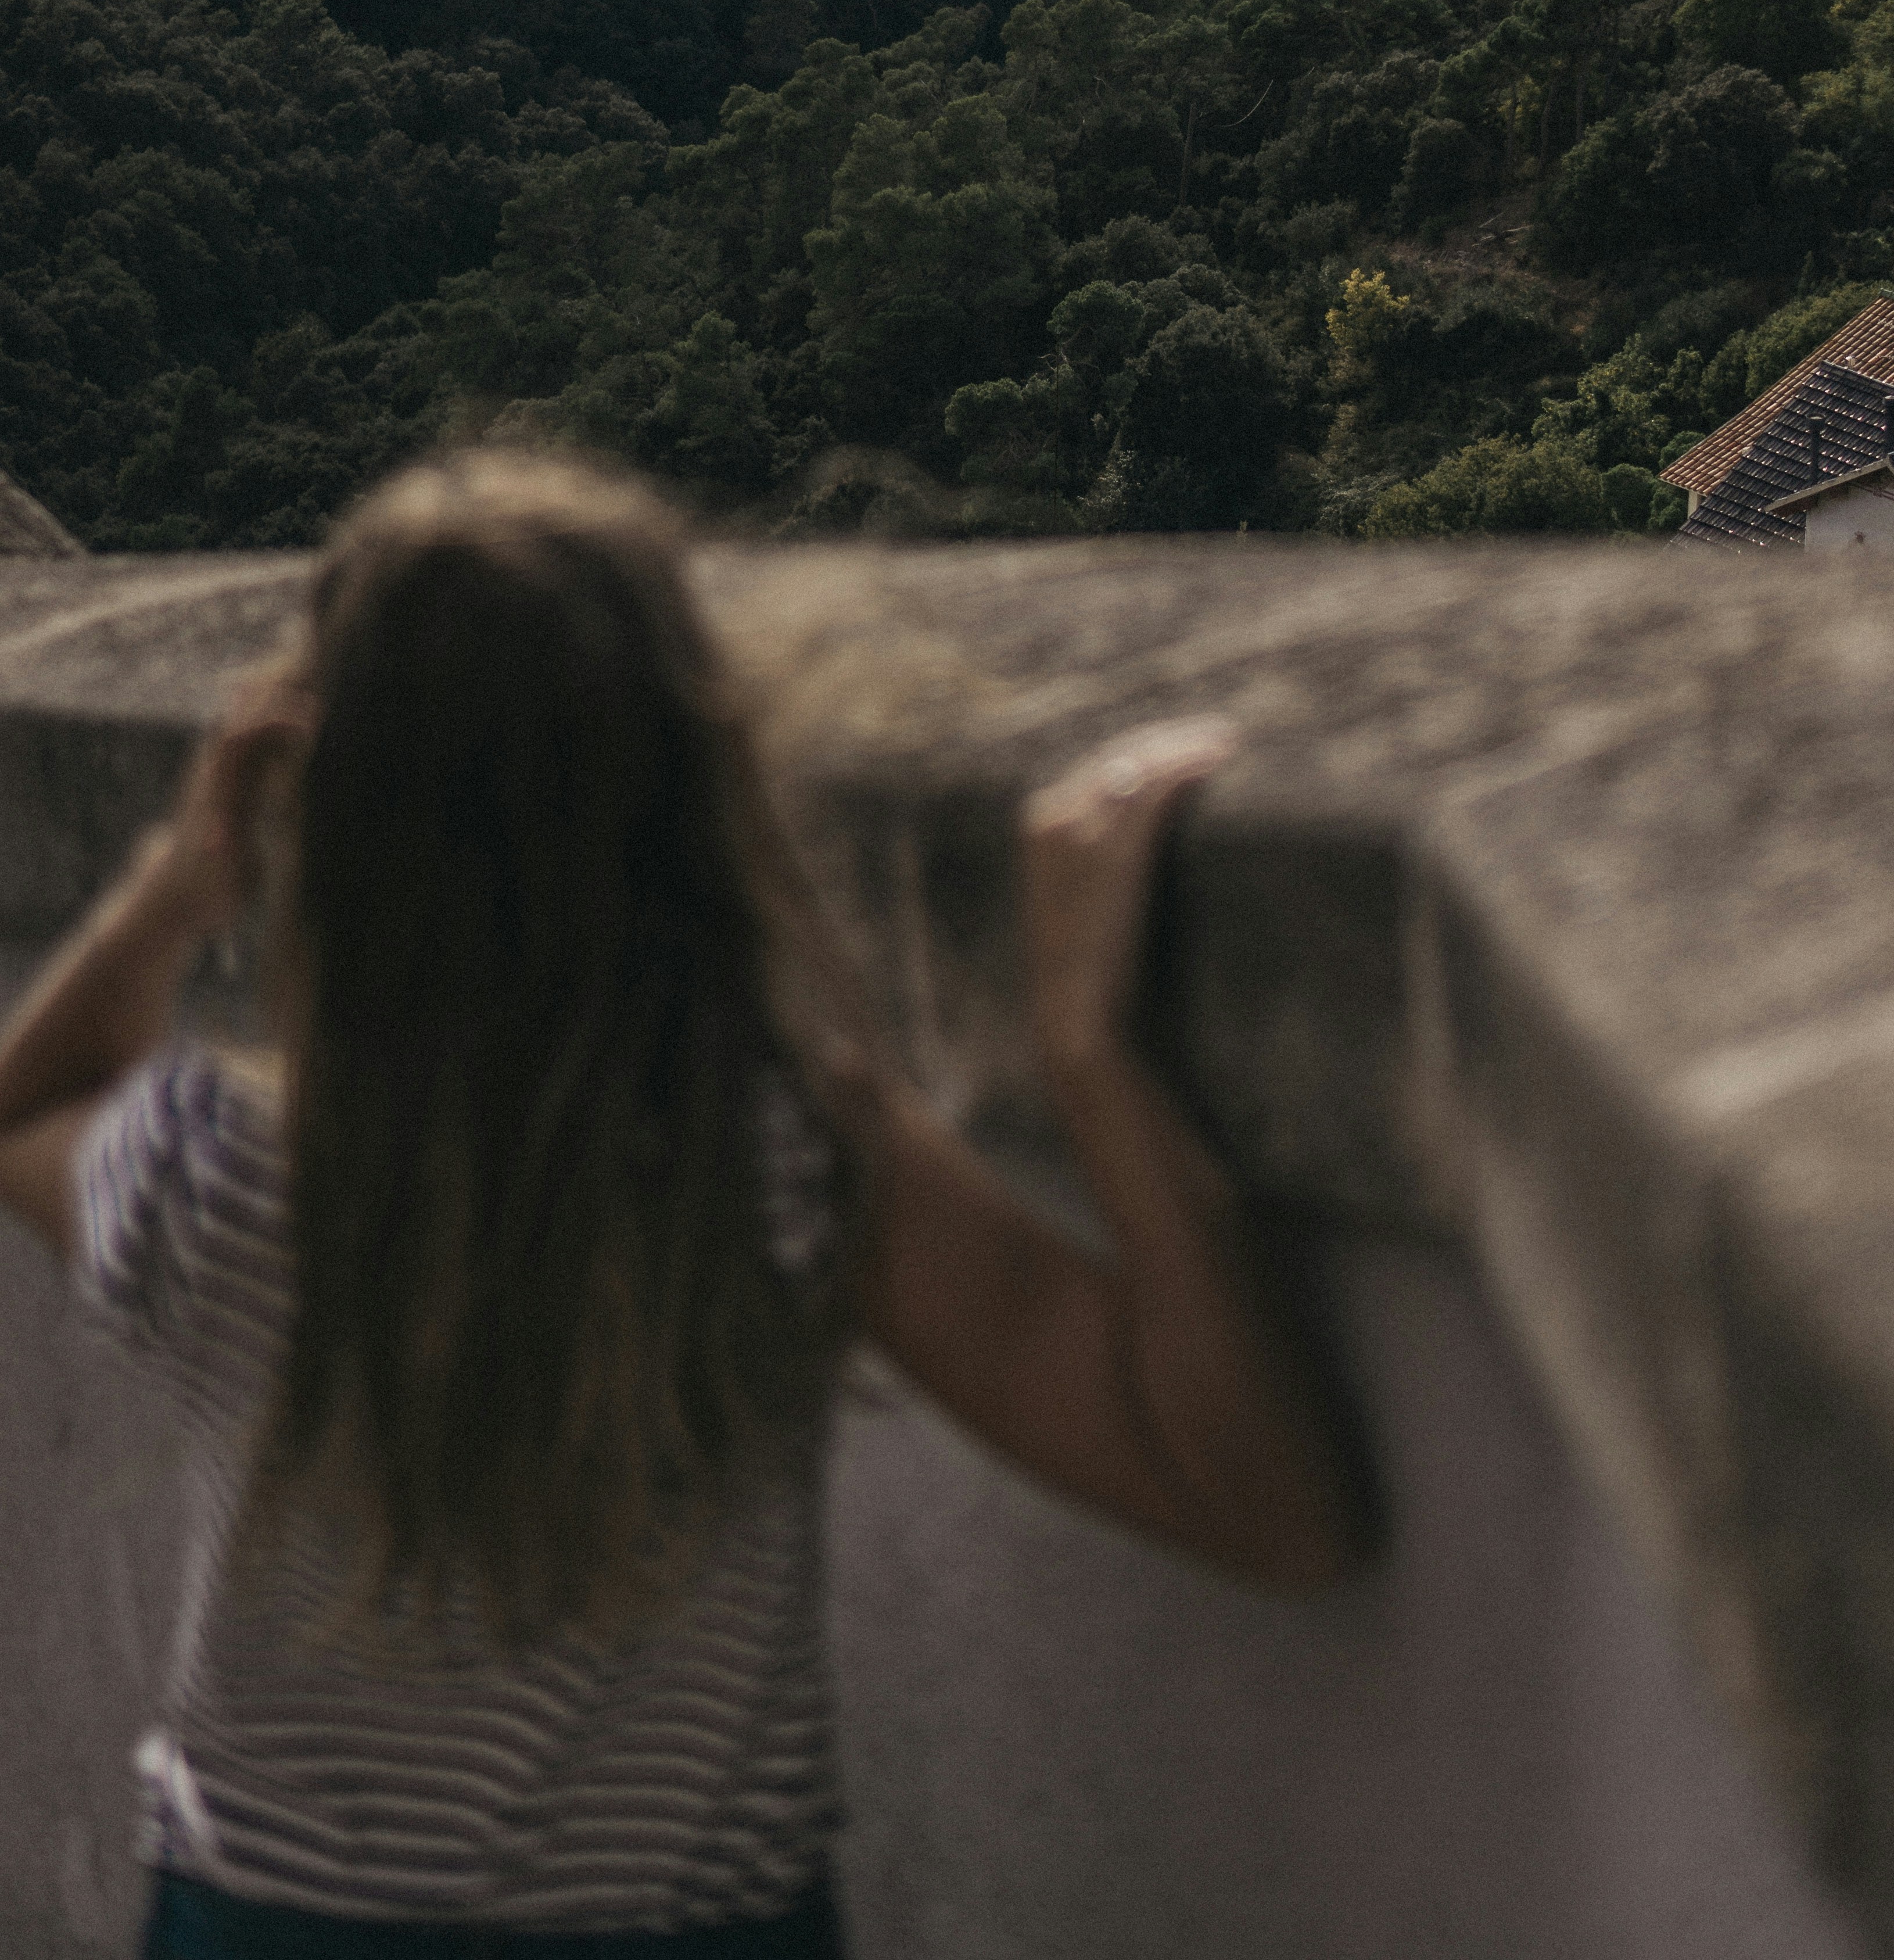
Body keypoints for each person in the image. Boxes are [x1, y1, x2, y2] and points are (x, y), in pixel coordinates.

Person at [0, 453, 1359, 1957]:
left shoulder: (215, 1177)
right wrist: (1094, 1061)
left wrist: (176, 890)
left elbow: (21, 1111)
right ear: (696, 785)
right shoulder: (777, 1161)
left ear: (321, 810)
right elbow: (1273, 1515)